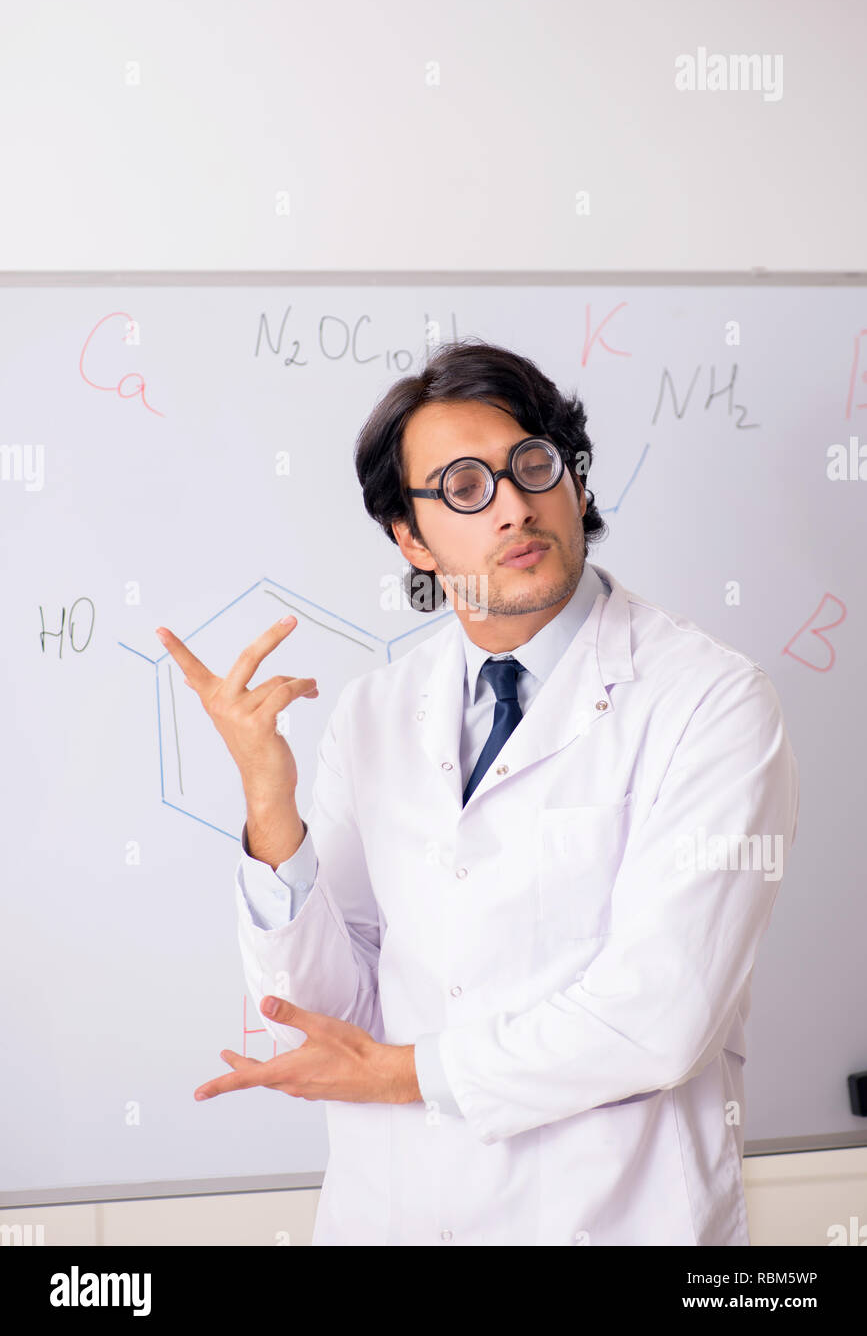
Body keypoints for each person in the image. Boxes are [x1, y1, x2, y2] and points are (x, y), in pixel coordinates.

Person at [158, 339, 799, 1246]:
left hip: (611, 1215)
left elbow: (661, 1014)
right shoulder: (377, 709)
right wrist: (270, 801)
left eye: (532, 466)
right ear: (410, 536)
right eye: (464, 486)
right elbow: (324, 1014)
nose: (513, 506)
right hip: (395, 1212)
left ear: (574, 486)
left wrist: (403, 1076)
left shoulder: (708, 700)